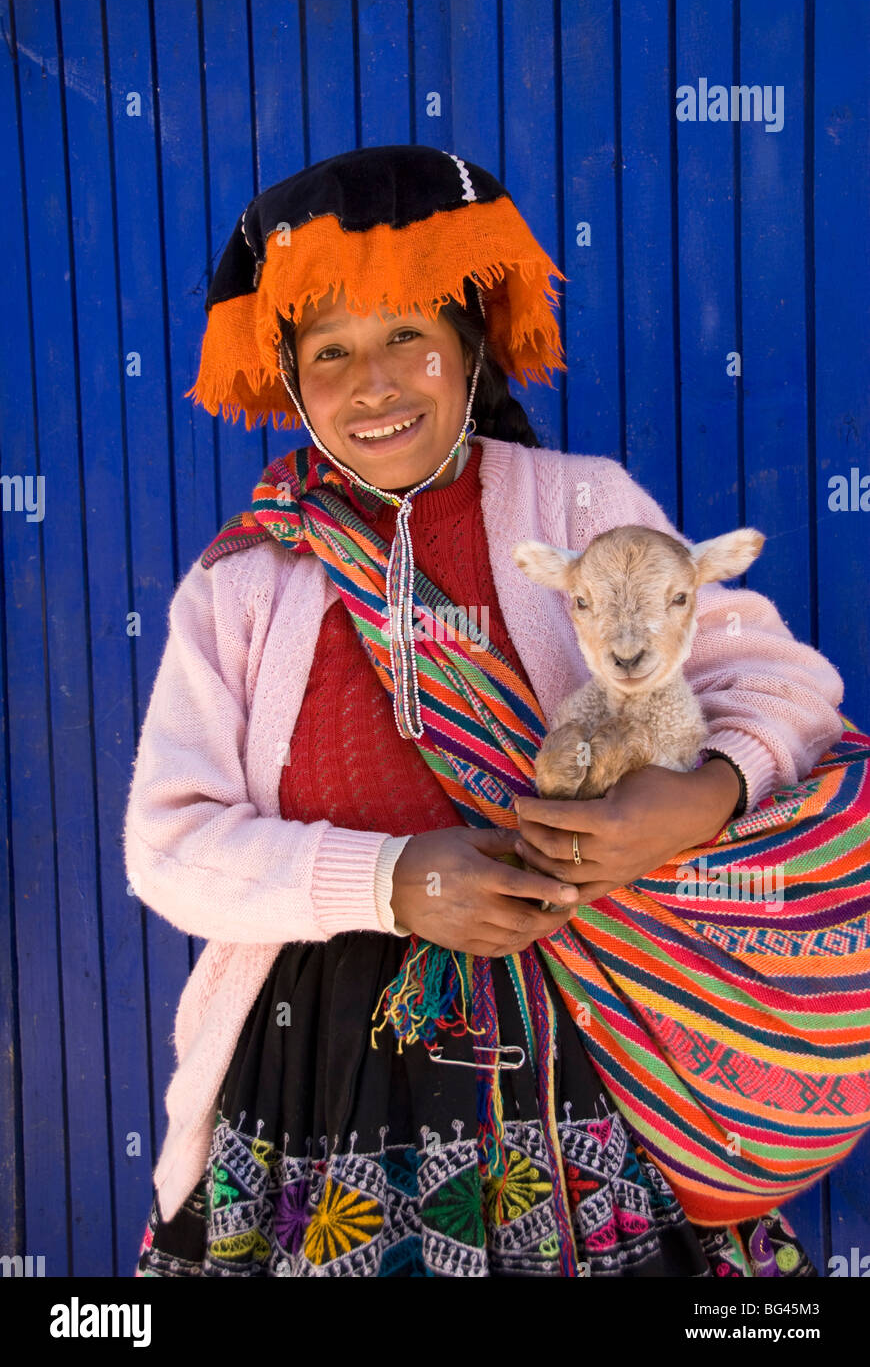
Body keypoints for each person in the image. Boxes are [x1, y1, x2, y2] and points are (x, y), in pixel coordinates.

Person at [128, 145, 852, 1277]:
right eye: (332, 353)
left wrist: (700, 795)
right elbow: (167, 845)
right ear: (294, 382)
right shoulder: (245, 580)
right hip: (318, 1071)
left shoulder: (584, 507)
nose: (374, 382)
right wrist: (393, 880)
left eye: (408, 337)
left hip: (596, 1033)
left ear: (468, 349)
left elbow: (786, 687)